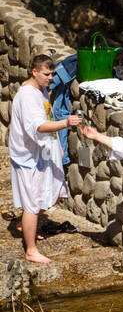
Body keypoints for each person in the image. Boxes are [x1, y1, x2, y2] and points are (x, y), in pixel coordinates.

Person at [8, 54, 83, 263]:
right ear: (34, 71)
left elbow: (47, 116)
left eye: (52, 74)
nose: (51, 78)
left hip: (43, 150)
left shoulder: (41, 90)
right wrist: (66, 123)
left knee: (56, 191)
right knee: (32, 204)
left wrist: (55, 144)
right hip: (28, 156)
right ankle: (31, 250)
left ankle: (25, 226)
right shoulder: (27, 96)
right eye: (46, 74)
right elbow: (38, 126)